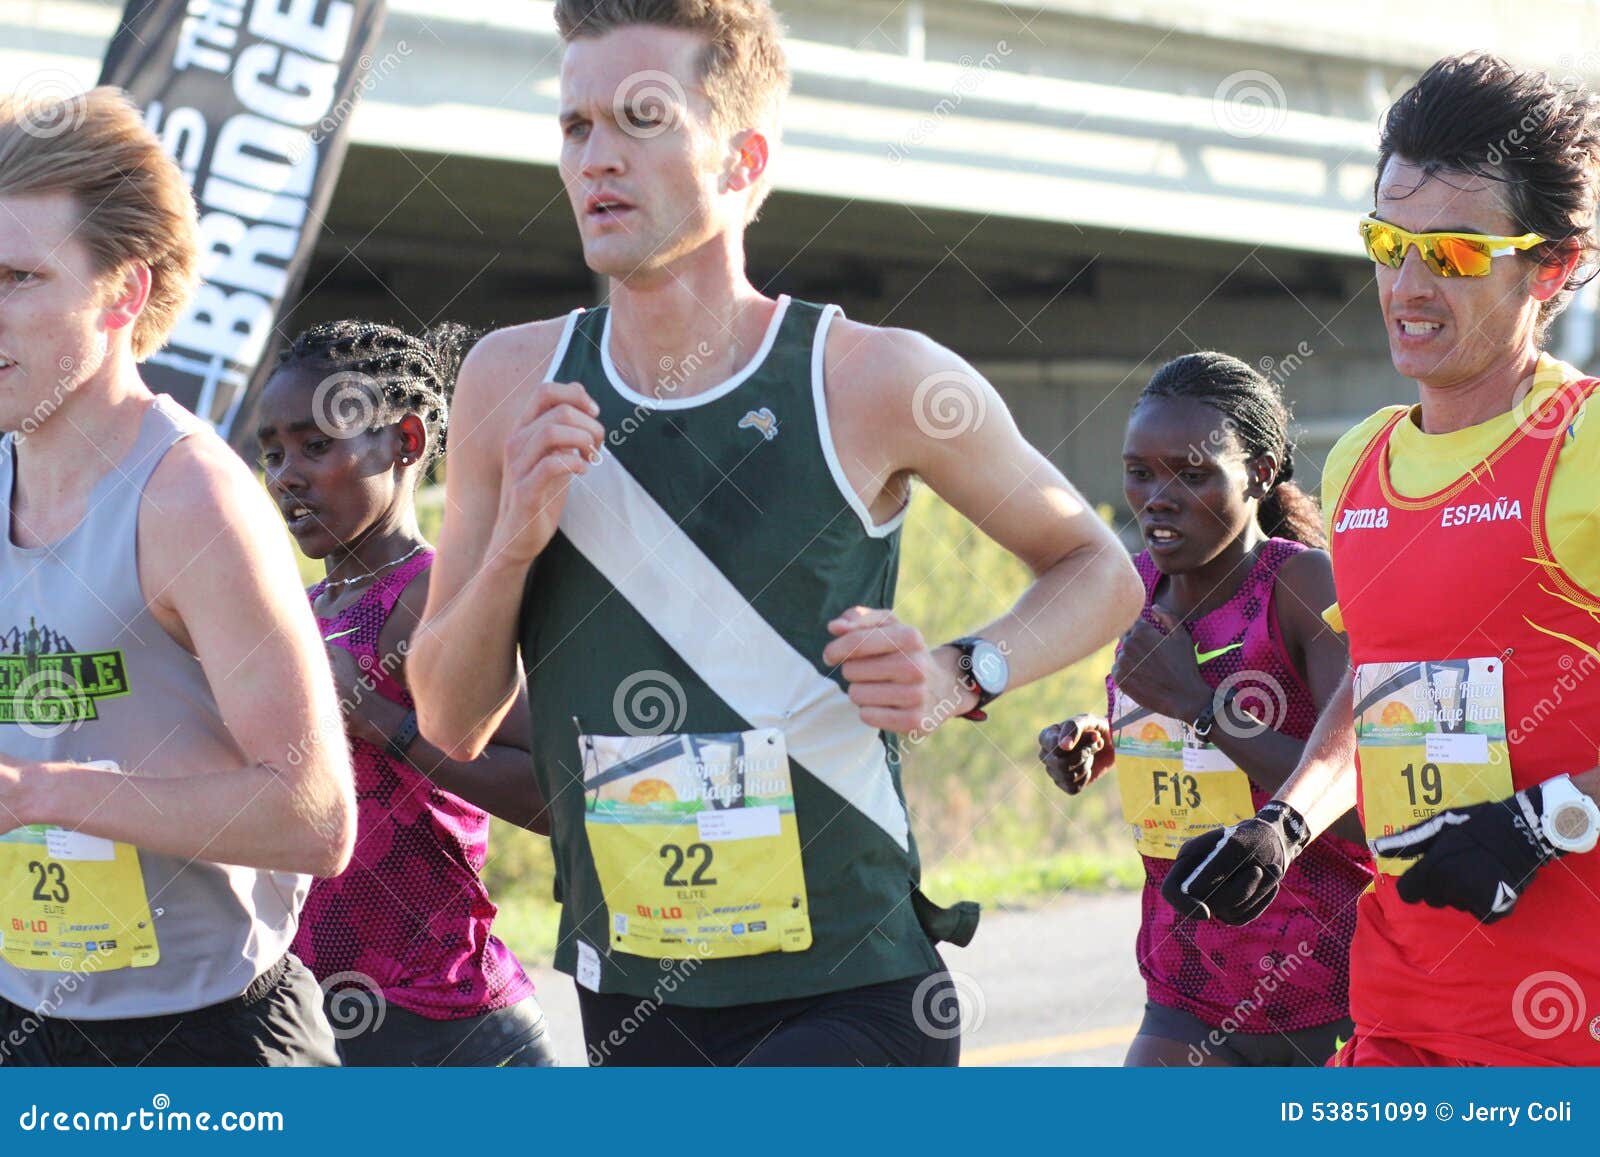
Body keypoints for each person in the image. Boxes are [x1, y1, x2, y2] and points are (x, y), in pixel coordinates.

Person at [408, 0, 1143, 1067]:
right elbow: (450, 714)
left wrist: (961, 670)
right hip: (635, 985)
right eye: (575, 127)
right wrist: (516, 537)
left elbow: (1097, 567)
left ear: (744, 158)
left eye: (640, 118)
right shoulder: (509, 381)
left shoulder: (874, 377)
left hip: (849, 985)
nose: (596, 159)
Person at [1165, 54, 1600, 1067]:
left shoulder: (1581, 445)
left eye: (1447, 252)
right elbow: (1384, 678)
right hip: (1404, 1004)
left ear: (1552, 267)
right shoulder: (1363, 457)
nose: (1403, 286)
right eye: (1386, 242)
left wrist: (1553, 814)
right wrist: (1284, 821)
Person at [0, 88, 354, 1066]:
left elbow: (315, 815)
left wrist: (42, 790)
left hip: (207, 1039)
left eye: (18, 277)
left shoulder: (189, 498)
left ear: (122, 294)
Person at [1039, 353, 1371, 1066]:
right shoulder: (1135, 586)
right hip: (1185, 977)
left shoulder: (1303, 587)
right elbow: (1174, 735)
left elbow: (1366, 803)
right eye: (1141, 471)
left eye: (1191, 474)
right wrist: (1105, 740)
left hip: (1326, 981)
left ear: (1260, 471)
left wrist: (1199, 706)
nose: (1158, 496)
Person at [255, 320, 557, 1066]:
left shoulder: (434, 594)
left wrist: (375, 715)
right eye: (272, 452)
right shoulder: (294, 608)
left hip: (448, 1024)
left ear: (406, 442)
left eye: (315, 444)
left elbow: (553, 793)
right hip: (307, 1009)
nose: (287, 473)